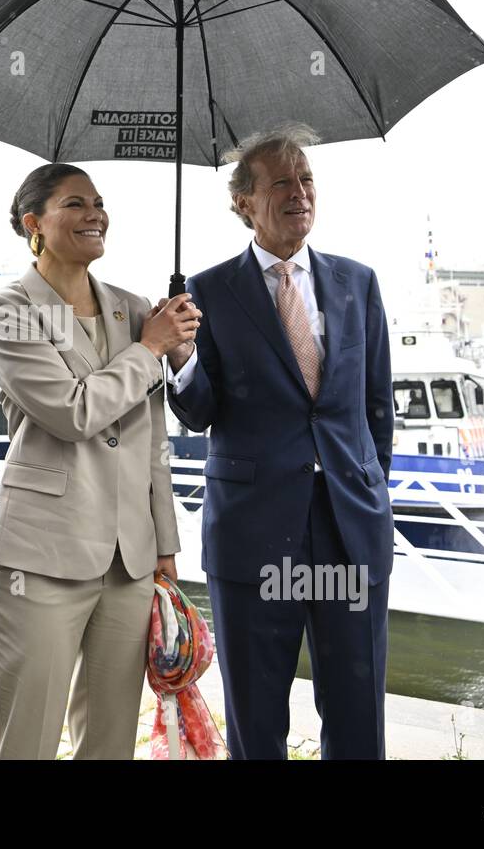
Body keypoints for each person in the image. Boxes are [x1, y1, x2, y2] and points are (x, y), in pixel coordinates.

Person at [167, 124, 395, 760]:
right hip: (253, 534)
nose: (300, 193)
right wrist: (182, 354)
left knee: (357, 710)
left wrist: (375, 494)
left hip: (351, 527)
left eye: (307, 180)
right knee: (256, 712)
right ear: (244, 202)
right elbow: (198, 411)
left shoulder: (359, 281)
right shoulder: (208, 292)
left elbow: (377, 406)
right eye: (281, 183)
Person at [0, 163, 198, 759]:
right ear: (34, 224)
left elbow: (152, 441)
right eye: (75, 204)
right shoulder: (7, 309)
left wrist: (164, 547)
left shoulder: (133, 308)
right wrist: (151, 349)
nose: (95, 213)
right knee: (27, 736)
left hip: (129, 561)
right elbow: (71, 412)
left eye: (99, 203)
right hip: (43, 555)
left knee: (109, 740)